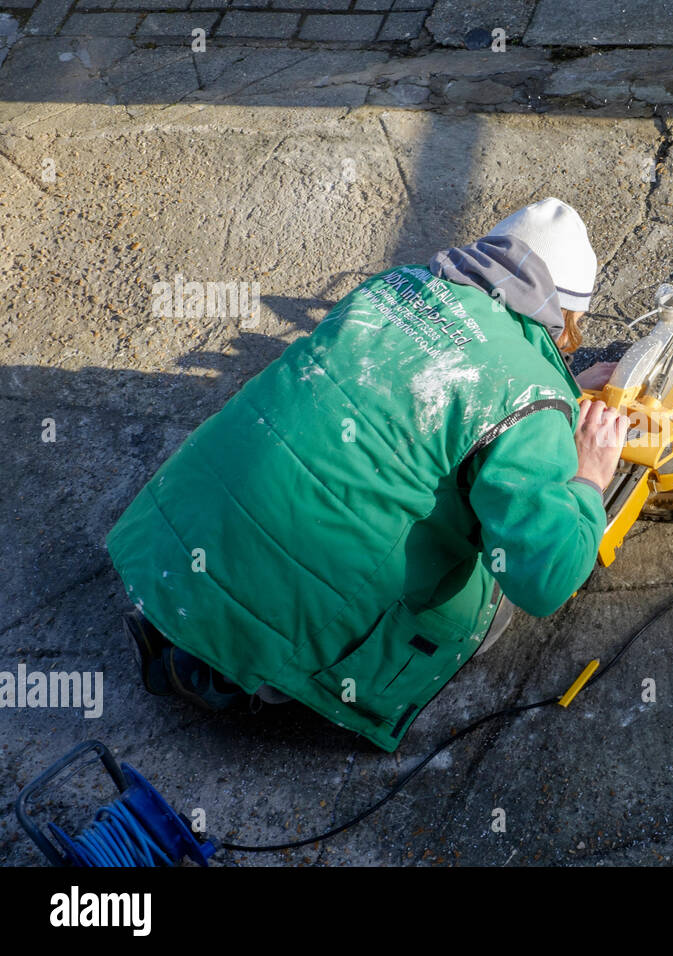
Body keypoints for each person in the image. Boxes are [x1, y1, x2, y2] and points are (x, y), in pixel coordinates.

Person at [107, 198, 629, 752]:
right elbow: (544, 583)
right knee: (490, 588)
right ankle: (244, 681)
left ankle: (191, 619)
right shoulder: (531, 396)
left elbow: (452, 375)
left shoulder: (392, 287)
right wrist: (590, 477)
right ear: (566, 317)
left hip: (172, 539)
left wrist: (562, 392)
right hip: (280, 607)